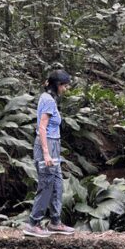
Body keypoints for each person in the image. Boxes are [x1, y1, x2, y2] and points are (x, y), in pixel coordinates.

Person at [23, 70, 76, 238]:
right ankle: (33, 223)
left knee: (58, 184)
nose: (66, 89)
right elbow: (42, 127)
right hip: (47, 145)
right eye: (65, 86)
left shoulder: (50, 99)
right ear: (58, 85)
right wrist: (46, 153)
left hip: (54, 144)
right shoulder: (48, 100)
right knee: (46, 184)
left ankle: (55, 222)